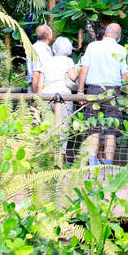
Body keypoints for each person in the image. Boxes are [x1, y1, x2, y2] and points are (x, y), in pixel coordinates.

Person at [77, 21, 128, 166]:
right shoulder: (122, 50)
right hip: (113, 91)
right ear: (119, 36)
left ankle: (93, 161)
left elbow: (84, 68)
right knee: (111, 130)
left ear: (106, 32)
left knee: (94, 127)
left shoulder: (93, 47)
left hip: (93, 89)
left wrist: (81, 90)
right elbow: (126, 75)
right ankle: (108, 162)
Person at [33, 36, 79, 164]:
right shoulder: (68, 61)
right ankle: (59, 159)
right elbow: (73, 76)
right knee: (63, 127)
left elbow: (39, 84)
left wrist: (38, 100)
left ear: (54, 49)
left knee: (48, 127)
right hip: (63, 96)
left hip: (47, 96)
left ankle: (47, 158)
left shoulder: (47, 61)